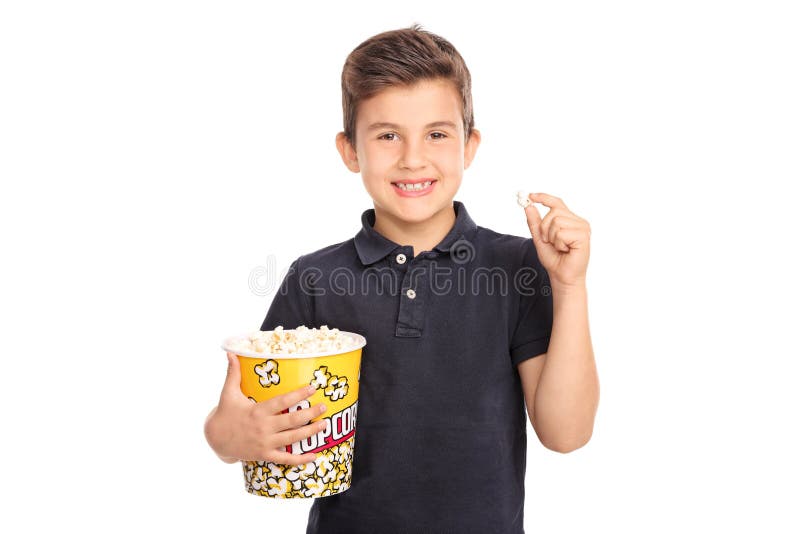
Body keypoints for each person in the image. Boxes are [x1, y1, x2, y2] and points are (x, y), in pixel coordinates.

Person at [204, 23, 599, 534]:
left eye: (436, 134)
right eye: (387, 135)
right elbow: (230, 425)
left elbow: (566, 433)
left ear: (469, 145)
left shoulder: (519, 266)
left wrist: (569, 287)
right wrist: (230, 438)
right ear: (350, 151)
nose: (413, 158)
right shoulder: (315, 278)